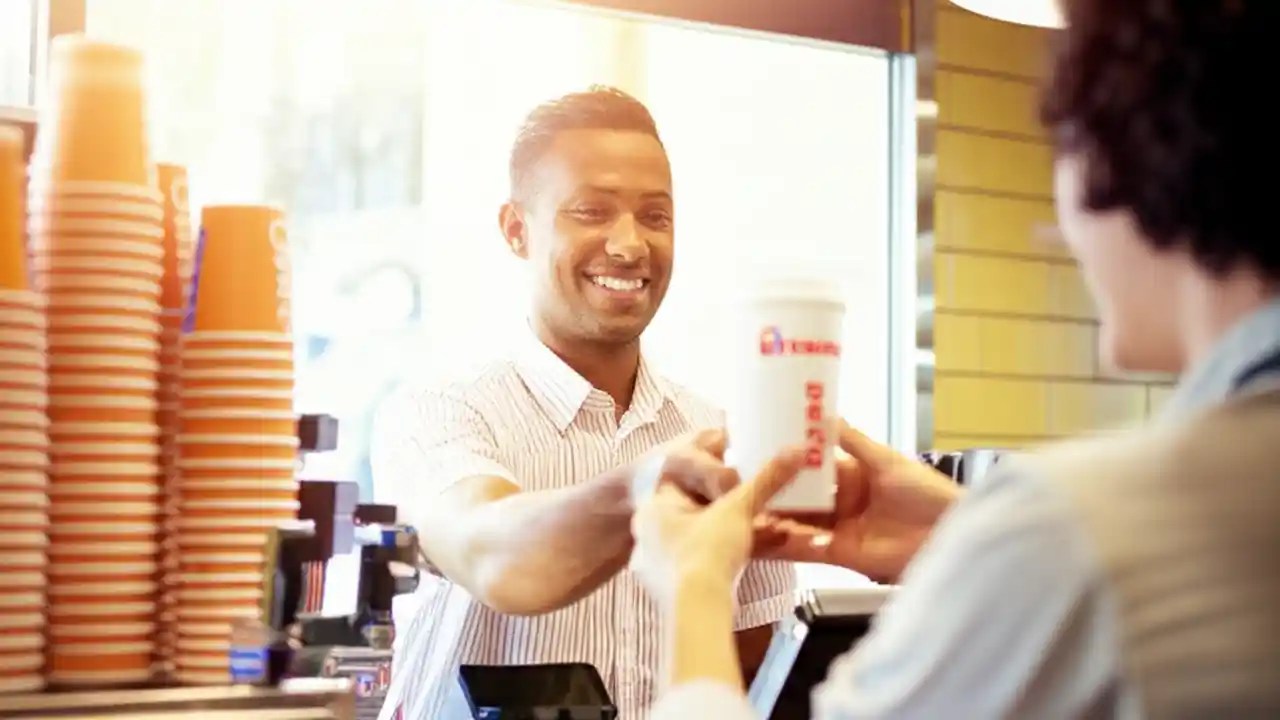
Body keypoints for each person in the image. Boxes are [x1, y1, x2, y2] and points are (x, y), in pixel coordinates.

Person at [633, 0, 1280, 717]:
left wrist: (693, 586)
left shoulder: (1084, 531)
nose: (1052, 232)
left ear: (1126, 154)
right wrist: (975, 539)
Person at [372, 87, 795, 720]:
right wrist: (639, 490)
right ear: (517, 230)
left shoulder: (715, 436)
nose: (629, 246)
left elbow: (756, 675)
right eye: (591, 211)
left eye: (655, 217)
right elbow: (497, 557)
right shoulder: (440, 412)